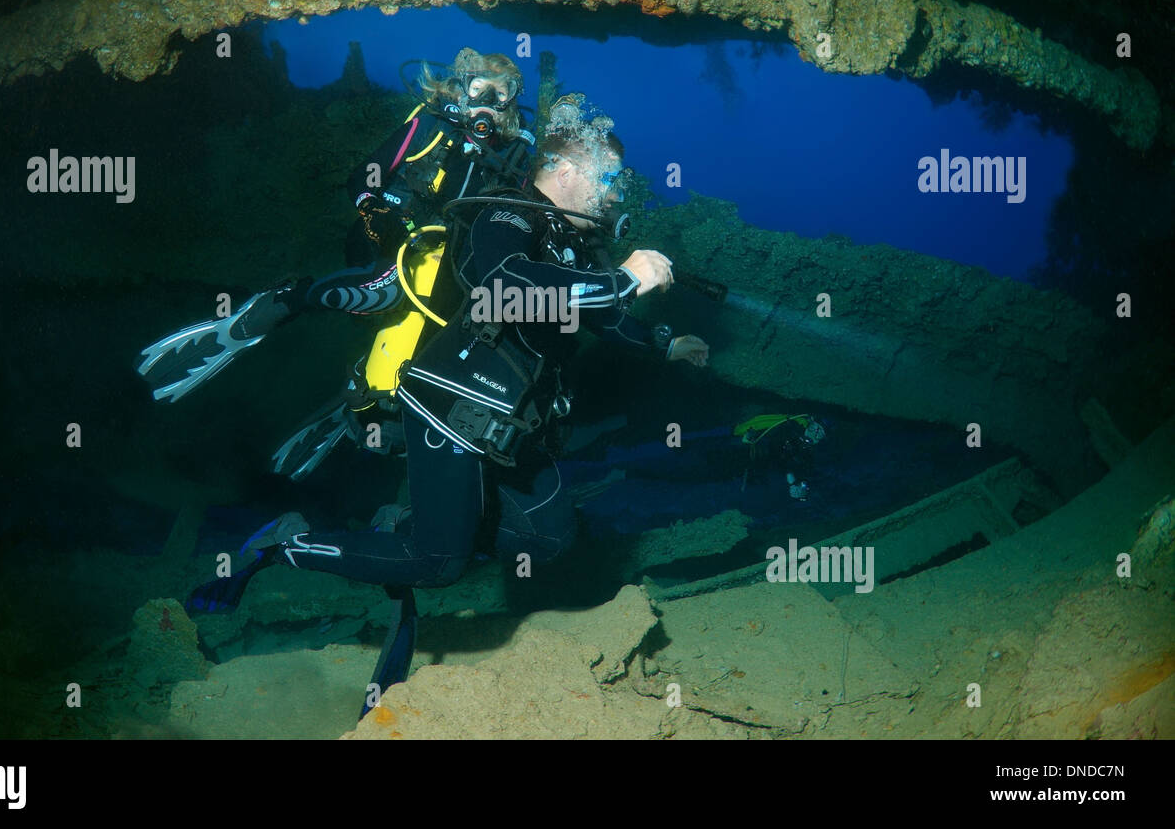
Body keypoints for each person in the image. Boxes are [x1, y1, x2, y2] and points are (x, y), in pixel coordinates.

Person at [187, 100, 709, 705]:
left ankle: (408, 529)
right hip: (449, 404)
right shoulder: (502, 216)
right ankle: (284, 545)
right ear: (565, 170)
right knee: (439, 564)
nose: (618, 197)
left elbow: (592, 312)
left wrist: (661, 343)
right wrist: (623, 279)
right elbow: (504, 289)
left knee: (551, 539)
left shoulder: (567, 244)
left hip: (510, 423)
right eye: (610, 180)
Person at [136, 48, 535, 404]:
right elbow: (364, 176)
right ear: (461, 89)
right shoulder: (431, 128)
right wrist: (374, 210)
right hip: (385, 239)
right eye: (479, 87)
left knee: (444, 337)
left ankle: (365, 399)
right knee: (385, 296)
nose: (487, 101)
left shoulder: (511, 164)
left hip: (443, 266)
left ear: (511, 105)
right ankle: (285, 302)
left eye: (501, 93)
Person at [733, 413, 826, 500]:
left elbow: (802, 466)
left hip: (767, 455)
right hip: (761, 445)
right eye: (808, 440)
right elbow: (775, 442)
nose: (808, 443)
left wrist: (798, 484)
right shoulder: (793, 426)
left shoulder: (803, 444)